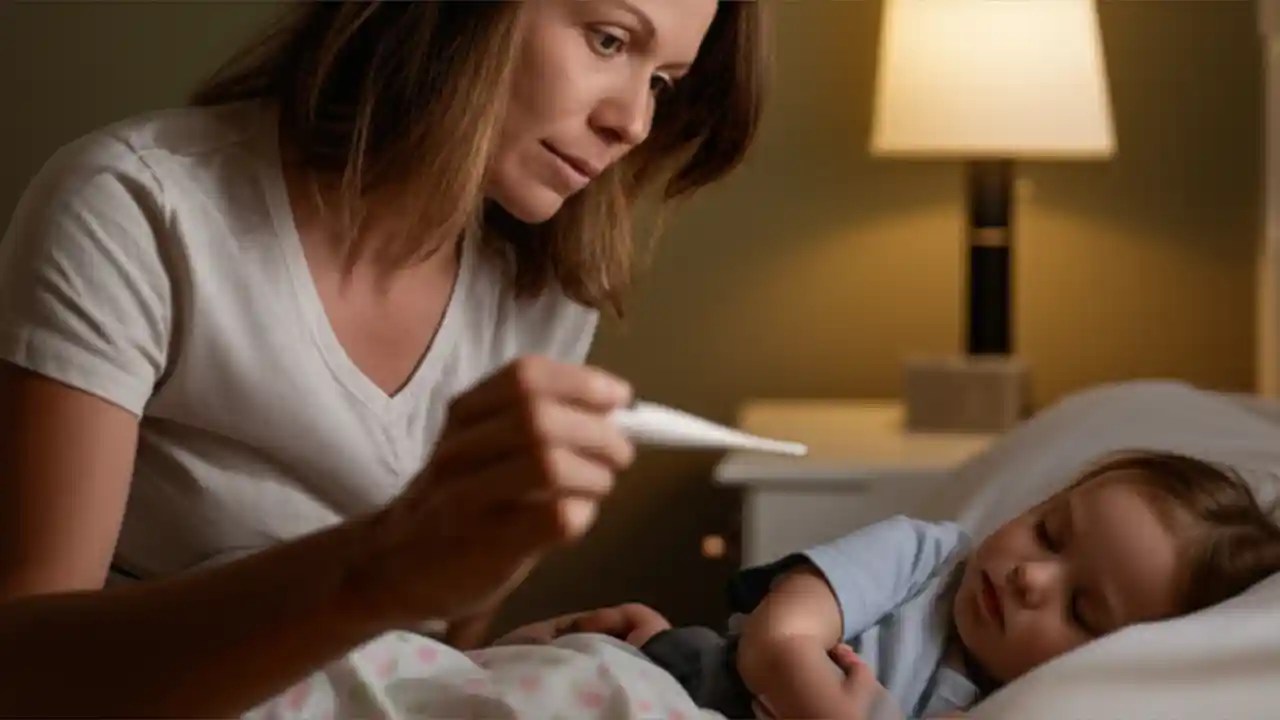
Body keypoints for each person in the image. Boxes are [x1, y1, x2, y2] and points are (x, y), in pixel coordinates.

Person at [0, 1, 767, 715]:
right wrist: (376, 573)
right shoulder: (140, 207)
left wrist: (497, 659)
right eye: (609, 40)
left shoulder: (544, 293)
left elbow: (420, 649)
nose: (633, 121)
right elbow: (24, 675)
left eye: (663, 82)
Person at [502, 450, 1280, 719]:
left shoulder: (1024, 702)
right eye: (1049, 532)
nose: (1030, 577)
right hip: (706, 682)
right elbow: (777, 643)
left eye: (1082, 609)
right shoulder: (923, 557)